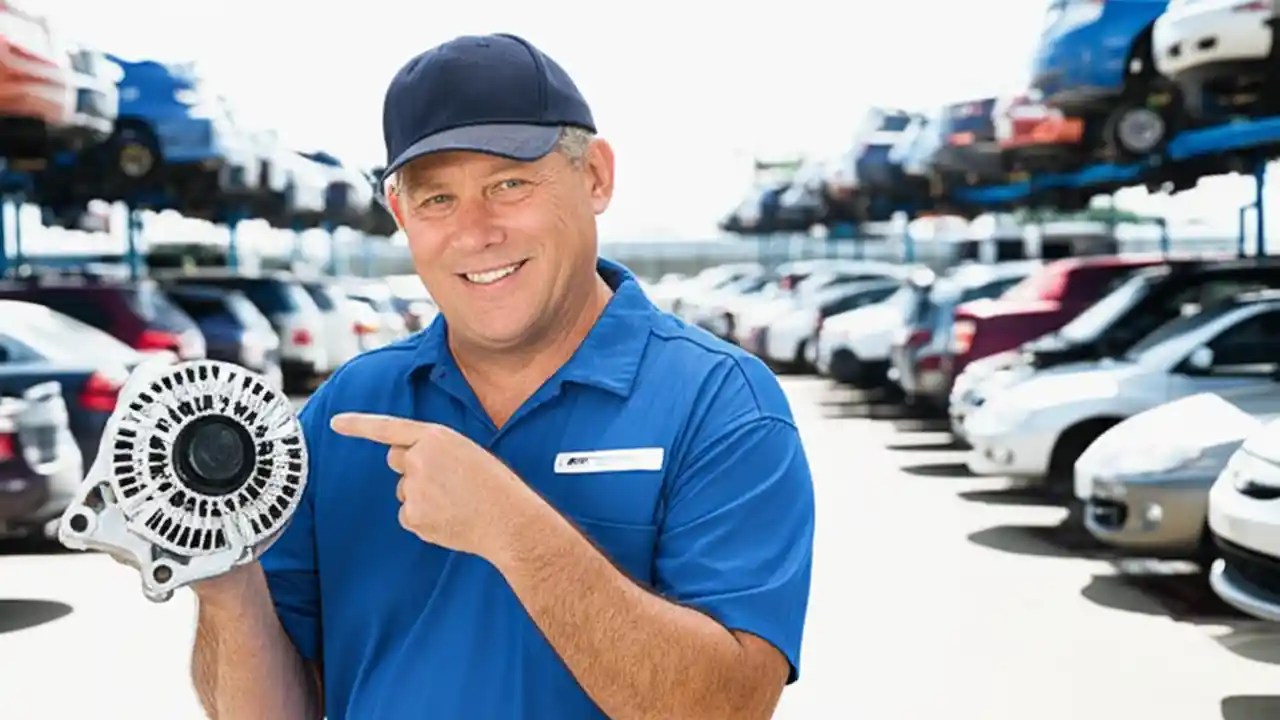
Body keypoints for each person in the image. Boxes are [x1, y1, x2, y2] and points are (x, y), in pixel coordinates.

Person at [188, 32, 815, 720]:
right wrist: (226, 584)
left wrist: (510, 527)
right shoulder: (346, 410)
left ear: (596, 176)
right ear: (400, 214)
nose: (475, 232)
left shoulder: (721, 405)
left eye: (509, 184)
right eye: (436, 200)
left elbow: (726, 708)